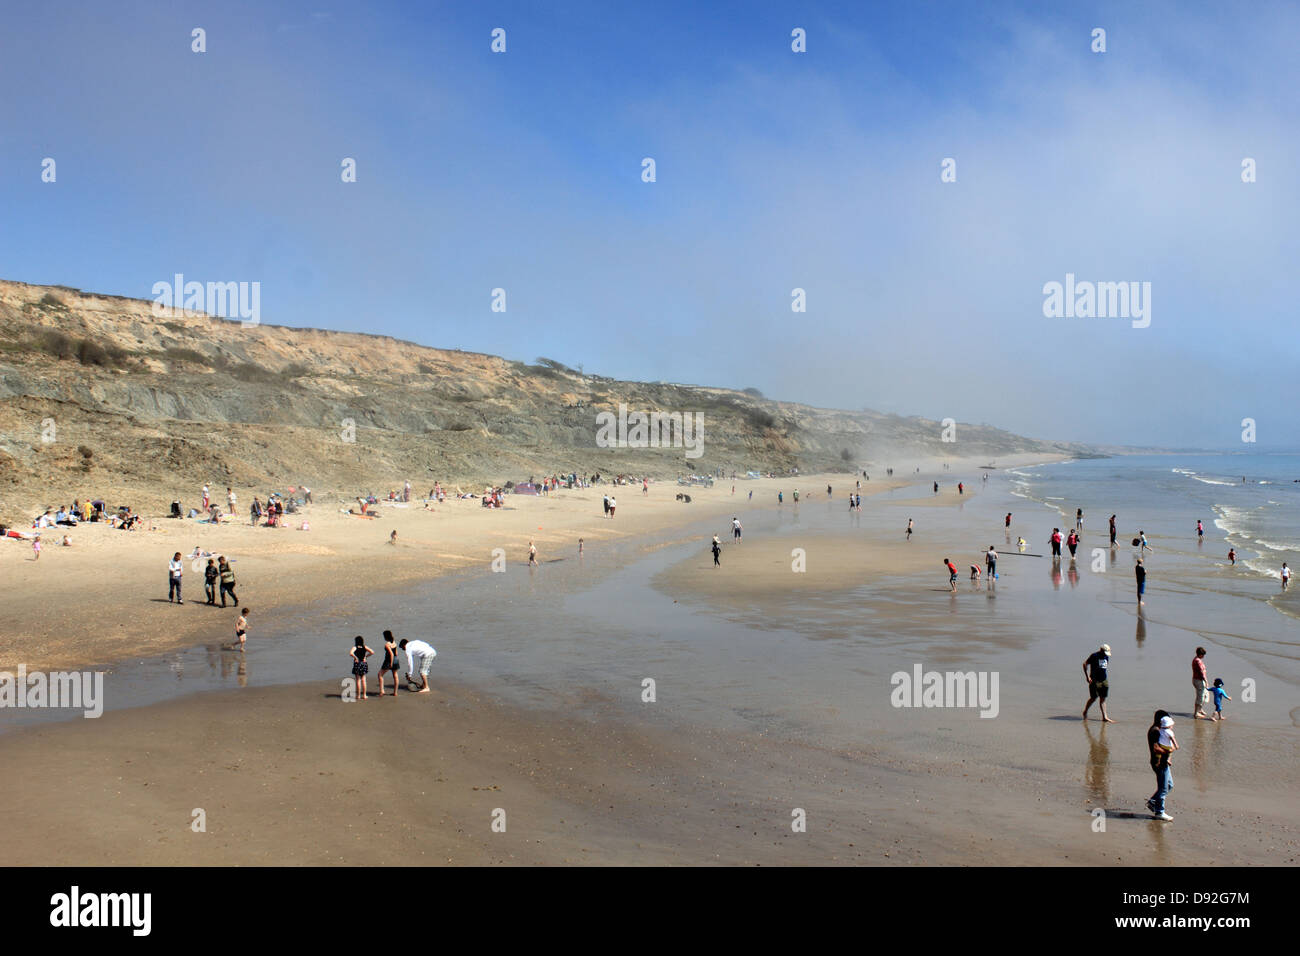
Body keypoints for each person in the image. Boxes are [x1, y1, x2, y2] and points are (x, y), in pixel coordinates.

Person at [1146, 711, 1177, 821]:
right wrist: (1169, 750)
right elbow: (1156, 748)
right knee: (1163, 788)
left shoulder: (1161, 731)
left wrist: (1168, 756)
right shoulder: (1155, 731)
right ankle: (1159, 812)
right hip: (1158, 762)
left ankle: (1153, 802)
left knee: (1169, 785)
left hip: (1163, 762)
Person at [1082, 644, 1114, 722]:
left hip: (1104, 680)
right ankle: (1085, 711)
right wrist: (1087, 677)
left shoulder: (1106, 656)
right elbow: (1085, 664)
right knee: (1093, 698)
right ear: (1101, 650)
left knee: (1103, 698)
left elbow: (1104, 668)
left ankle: (1105, 717)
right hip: (1094, 680)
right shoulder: (1094, 656)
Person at [377, 630, 401, 696]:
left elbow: (391, 654)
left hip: (388, 660)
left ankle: (382, 691)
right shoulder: (394, 642)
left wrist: (391, 663)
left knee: (380, 674)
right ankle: (395, 692)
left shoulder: (387, 644)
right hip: (396, 659)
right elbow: (396, 653)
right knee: (395, 675)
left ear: (386, 637)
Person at [1192, 647, 1209, 717]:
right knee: (1200, 697)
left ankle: (1200, 709)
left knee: (1204, 695)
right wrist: (1206, 681)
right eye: (1203, 655)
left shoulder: (1196, 659)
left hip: (1198, 680)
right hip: (1199, 680)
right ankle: (1196, 713)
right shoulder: (1197, 661)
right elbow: (1201, 672)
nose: (1204, 656)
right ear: (1200, 654)